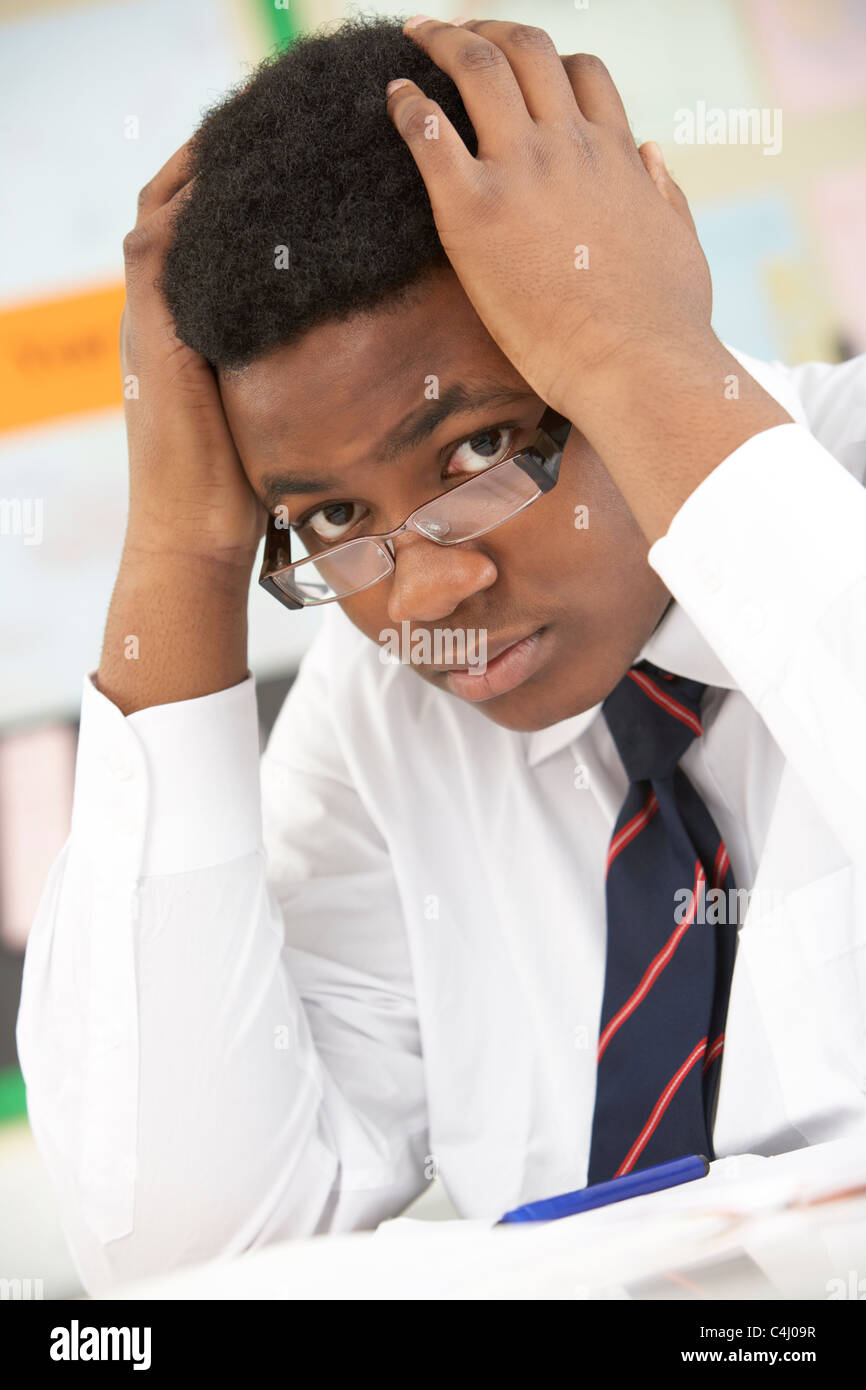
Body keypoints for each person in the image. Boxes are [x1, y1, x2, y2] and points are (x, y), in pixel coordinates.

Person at [16, 14, 866, 1296]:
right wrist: (182, 549)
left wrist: (644, 358)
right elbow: (182, 1249)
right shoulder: (387, 712)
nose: (425, 594)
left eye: (479, 449)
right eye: (332, 518)